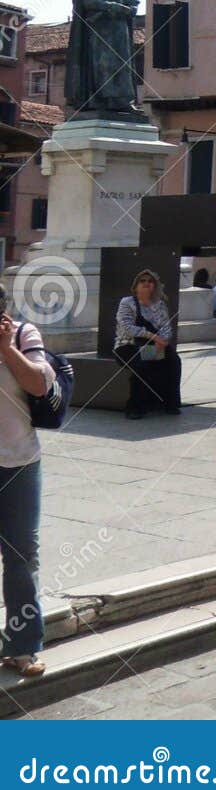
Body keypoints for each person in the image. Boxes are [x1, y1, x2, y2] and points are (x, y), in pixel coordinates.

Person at [0, 285, 54, 678]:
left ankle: (23, 646)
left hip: (18, 463)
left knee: (21, 557)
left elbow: (39, 385)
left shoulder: (23, 334)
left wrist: (5, 348)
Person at [114, 269, 180, 419]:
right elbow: (127, 327)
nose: (146, 284)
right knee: (141, 364)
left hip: (153, 346)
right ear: (136, 285)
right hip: (128, 345)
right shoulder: (127, 302)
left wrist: (161, 343)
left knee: (173, 360)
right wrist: (153, 337)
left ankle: (170, 404)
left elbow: (166, 328)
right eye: (142, 281)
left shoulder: (160, 305)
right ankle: (135, 407)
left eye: (150, 281)